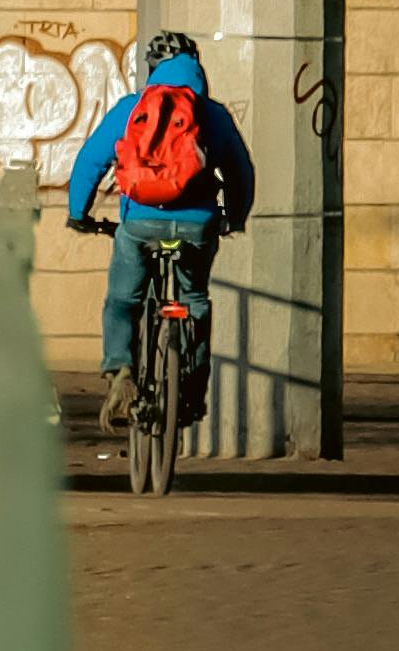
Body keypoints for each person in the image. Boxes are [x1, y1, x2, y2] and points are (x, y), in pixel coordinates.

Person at [66, 24, 257, 428]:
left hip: (140, 223)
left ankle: (121, 370)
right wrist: (234, 217)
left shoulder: (132, 108)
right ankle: (193, 390)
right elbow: (241, 171)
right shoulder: (212, 114)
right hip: (197, 226)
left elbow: (90, 161)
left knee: (123, 300)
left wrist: (78, 213)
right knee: (195, 300)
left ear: (152, 68)